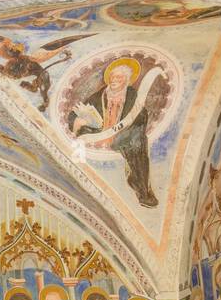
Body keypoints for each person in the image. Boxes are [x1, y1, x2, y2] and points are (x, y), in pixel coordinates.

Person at [69, 59, 161, 207]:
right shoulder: (99, 95)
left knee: (136, 141)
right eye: (112, 77)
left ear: (126, 80)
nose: (114, 80)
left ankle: (142, 189)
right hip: (98, 133)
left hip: (123, 134)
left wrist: (126, 126)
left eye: (119, 77)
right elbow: (76, 112)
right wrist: (79, 121)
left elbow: (141, 116)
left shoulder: (133, 95)